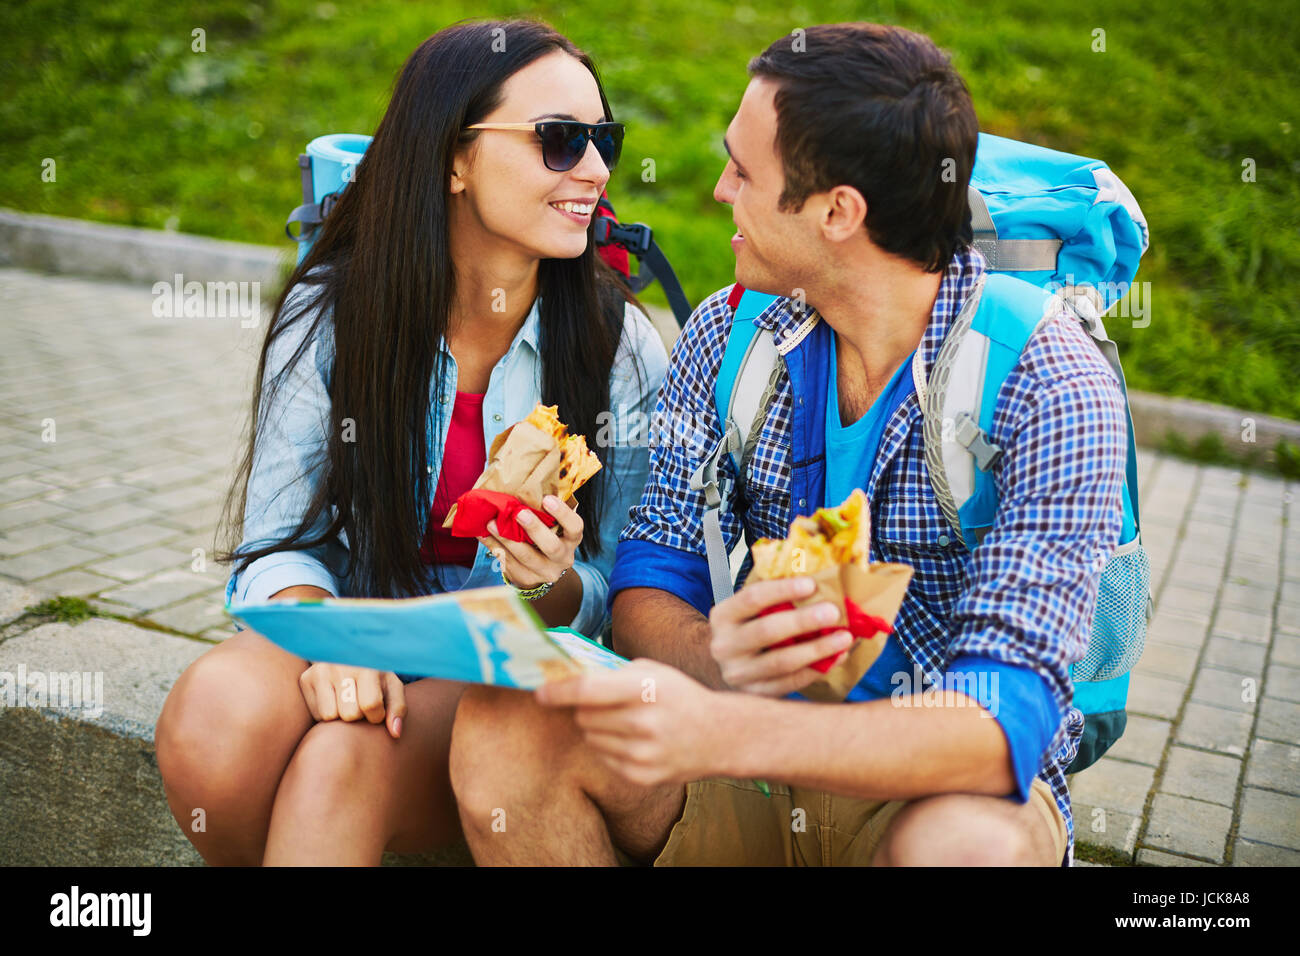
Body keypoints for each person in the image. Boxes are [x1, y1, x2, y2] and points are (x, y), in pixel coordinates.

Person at [448, 22, 1128, 867]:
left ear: (838, 212)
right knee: (508, 722)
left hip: (925, 791)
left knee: (967, 847)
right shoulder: (727, 335)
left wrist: (732, 725)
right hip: (744, 773)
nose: (719, 190)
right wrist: (719, 664)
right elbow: (652, 576)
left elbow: (1000, 729)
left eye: (744, 171)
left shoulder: (1049, 381)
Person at [154, 18, 667, 866]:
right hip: (358, 615)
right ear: (452, 159)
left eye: (601, 139)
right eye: (559, 140)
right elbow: (277, 543)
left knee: (343, 760)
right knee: (215, 724)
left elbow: (612, 590)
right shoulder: (334, 312)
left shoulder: (618, 343)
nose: (599, 171)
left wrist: (552, 583)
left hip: (502, 669)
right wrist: (328, 643)